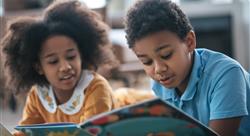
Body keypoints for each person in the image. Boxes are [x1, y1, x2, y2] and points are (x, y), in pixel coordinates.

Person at [124, 0, 250, 136]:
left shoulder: (227, 74)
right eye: (147, 61)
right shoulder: (159, 83)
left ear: (189, 42)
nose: (158, 69)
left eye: (166, 55)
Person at [1, 0, 117, 131]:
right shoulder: (38, 94)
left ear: (82, 54)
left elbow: (89, 133)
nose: (65, 67)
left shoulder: (96, 88)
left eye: (71, 57)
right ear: (38, 67)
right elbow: (26, 131)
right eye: (53, 61)